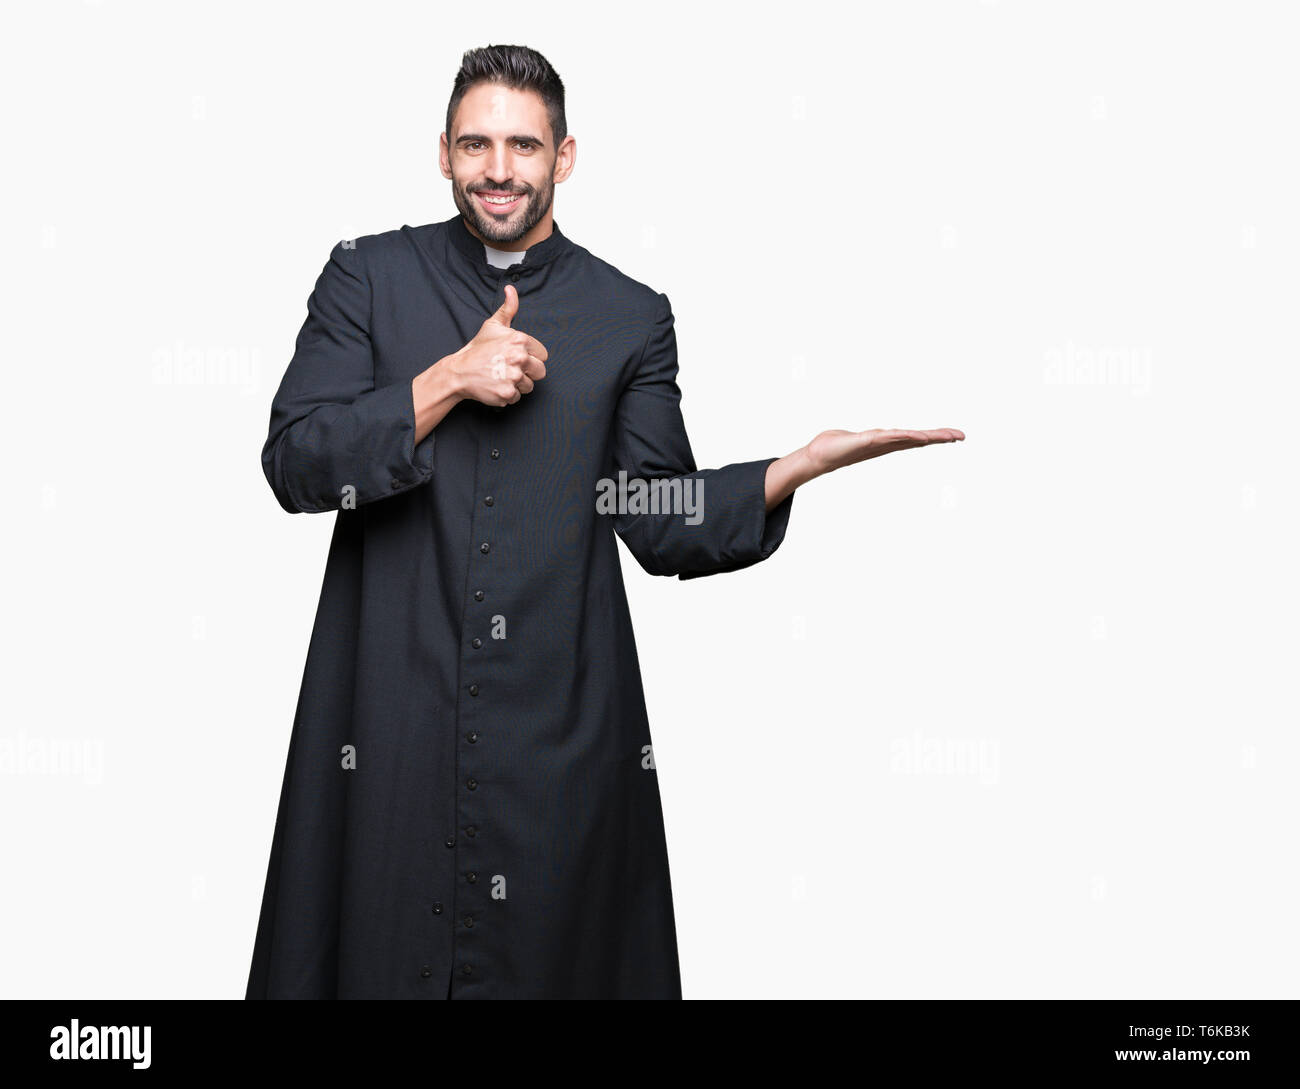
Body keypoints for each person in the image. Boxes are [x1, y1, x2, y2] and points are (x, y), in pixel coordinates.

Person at [246, 43, 963, 1000]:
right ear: (444, 153)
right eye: (476, 144)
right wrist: (444, 380)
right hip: (386, 723)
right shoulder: (367, 279)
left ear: (565, 157)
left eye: (523, 145)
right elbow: (296, 462)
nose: (499, 168)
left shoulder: (630, 315)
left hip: (556, 740)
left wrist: (785, 472)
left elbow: (652, 512)